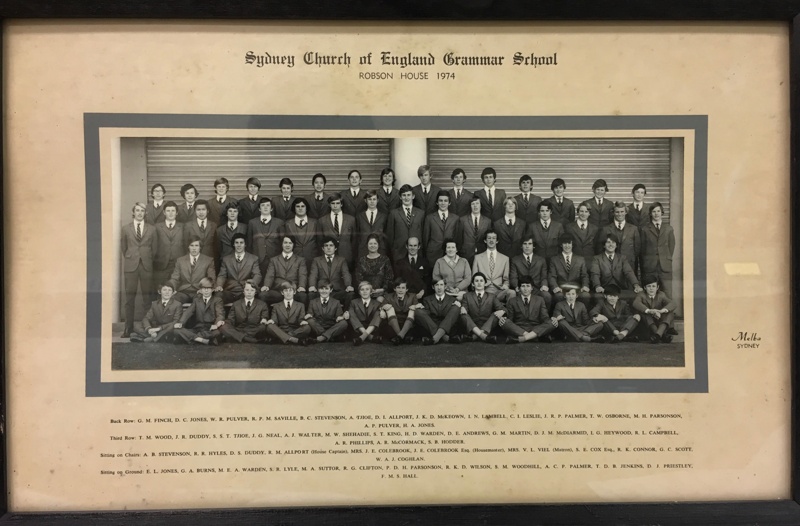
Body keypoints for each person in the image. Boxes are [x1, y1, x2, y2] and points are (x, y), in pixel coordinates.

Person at [121, 202, 156, 337]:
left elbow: (155, 249)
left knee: (147, 298)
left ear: (145, 213)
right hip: (131, 266)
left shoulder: (151, 229)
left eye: (142, 211)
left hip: (146, 266)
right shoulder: (125, 229)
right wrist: (132, 258)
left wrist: (146, 258)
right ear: (133, 213)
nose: (140, 213)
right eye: (137, 210)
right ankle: (128, 328)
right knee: (130, 298)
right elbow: (124, 248)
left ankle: (148, 327)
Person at [499, 276, 555, 344]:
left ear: (532, 288)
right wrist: (504, 319)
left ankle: (523, 338)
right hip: (519, 328)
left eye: (528, 286)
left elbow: (545, 317)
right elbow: (510, 319)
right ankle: (534, 337)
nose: (525, 289)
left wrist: (551, 320)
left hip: (535, 328)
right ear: (519, 288)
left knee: (552, 322)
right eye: (523, 286)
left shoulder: (540, 300)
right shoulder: (512, 301)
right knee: (504, 322)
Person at [590, 233, 642, 303]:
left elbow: (629, 272)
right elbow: (595, 274)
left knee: (634, 296)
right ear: (604, 245)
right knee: (598, 297)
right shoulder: (597, 259)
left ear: (616, 245)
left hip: (620, 288)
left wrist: (636, 285)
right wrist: (597, 286)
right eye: (608, 242)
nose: (611, 245)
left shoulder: (622, 258)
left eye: (613, 242)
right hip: (604, 289)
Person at [173, 277, 224, 345]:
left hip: (210, 328)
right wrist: (181, 323)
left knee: (217, 332)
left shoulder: (217, 300)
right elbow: (188, 312)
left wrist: (216, 325)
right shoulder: (197, 300)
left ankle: (192, 338)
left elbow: (220, 313)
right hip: (198, 327)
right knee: (176, 330)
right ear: (200, 290)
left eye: (208, 288)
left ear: (212, 289)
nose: (206, 290)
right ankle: (200, 339)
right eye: (203, 288)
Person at [640, 202, 676, 298]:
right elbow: (642, 248)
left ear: (662, 212)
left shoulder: (668, 229)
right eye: (654, 211)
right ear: (650, 213)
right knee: (650, 292)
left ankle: (667, 312)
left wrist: (665, 258)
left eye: (658, 211)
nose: (656, 214)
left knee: (667, 292)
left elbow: (671, 246)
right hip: (650, 266)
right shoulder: (645, 229)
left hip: (665, 266)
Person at [457, 272, 504, 344]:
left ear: (485, 283)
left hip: (487, 325)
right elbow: (465, 309)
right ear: (473, 284)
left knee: (496, 314)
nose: (479, 283)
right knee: (463, 314)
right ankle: (483, 336)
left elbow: (503, 309)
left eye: (481, 281)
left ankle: (475, 336)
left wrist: (502, 311)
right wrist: (462, 308)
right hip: (473, 326)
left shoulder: (492, 296)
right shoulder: (467, 296)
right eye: (476, 281)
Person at [260, 235, 308, 306]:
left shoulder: (300, 260)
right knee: (263, 295)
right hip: (278, 290)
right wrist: (266, 286)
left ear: (293, 245)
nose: (287, 245)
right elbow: (270, 275)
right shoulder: (274, 260)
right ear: (282, 244)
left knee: (302, 296)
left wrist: (301, 286)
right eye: (285, 243)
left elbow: (302, 275)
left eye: (290, 243)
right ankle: (266, 316)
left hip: (293, 290)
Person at [308, 237, 355, 308]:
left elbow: (346, 274)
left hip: (337, 291)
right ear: (323, 248)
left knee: (350, 294)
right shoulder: (317, 260)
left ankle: (346, 314)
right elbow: (313, 274)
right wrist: (312, 286)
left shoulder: (341, 260)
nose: (328, 248)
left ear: (335, 248)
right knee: (311, 294)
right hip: (322, 290)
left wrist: (348, 285)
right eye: (326, 246)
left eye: (331, 245)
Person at [215, 233, 262, 303]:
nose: (239, 245)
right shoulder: (226, 259)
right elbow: (222, 275)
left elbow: (257, 275)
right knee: (218, 295)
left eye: (241, 243)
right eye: (236, 243)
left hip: (246, 290)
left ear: (245, 244)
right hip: (231, 291)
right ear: (233, 244)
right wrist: (219, 285)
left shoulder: (253, 259)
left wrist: (250, 285)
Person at [413, 278, 462, 345]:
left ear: (445, 287)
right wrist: (421, 308)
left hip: (447, 326)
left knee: (456, 307)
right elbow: (427, 315)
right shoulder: (427, 299)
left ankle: (435, 339)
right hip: (432, 325)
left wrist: (459, 306)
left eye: (441, 285)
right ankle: (444, 337)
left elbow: (452, 317)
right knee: (418, 311)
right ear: (433, 287)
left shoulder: (452, 299)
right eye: (437, 285)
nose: (439, 288)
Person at [599, 201, 641, 276]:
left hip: (629, 265)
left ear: (626, 212)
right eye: (617, 212)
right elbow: (601, 249)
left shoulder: (634, 229)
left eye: (622, 211)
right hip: (610, 266)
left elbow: (637, 249)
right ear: (613, 213)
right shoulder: (606, 229)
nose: (620, 214)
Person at [169, 237, 216, 304]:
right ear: (188, 247)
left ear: (200, 247)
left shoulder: (208, 260)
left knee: (200, 302)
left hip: (199, 291)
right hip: (183, 292)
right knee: (172, 300)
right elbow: (175, 278)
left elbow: (211, 279)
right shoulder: (180, 260)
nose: (194, 248)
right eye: (192, 245)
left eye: (196, 245)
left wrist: (204, 289)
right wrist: (171, 288)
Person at [153, 201, 185, 299]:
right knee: (161, 291)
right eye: (168, 211)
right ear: (164, 212)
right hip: (161, 265)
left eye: (173, 211)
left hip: (178, 264)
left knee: (177, 291)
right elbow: (153, 245)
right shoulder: (157, 227)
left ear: (177, 213)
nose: (170, 213)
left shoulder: (183, 226)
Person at [472, 230, 515, 302]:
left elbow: (506, 279)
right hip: (483, 290)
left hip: (499, 291)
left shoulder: (505, 259)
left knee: (512, 293)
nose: (491, 240)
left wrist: (505, 286)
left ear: (497, 241)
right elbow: (474, 277)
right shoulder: (478, 258)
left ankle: (507, 312)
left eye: (494, 238)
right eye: (489, 238)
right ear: (485, 241)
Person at [548, 234, 591, 307]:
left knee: (585, 295)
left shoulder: (580, 259)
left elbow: (584, 275)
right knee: (558, 296)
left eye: (569, 243)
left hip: (576, 288)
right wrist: (555, 287)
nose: (567, 246)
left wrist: (585, 286)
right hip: (561, 288)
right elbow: (552, 276)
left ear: (572, 244)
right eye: (565, 243)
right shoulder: (554, 259)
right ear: (561, 245)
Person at [509, 236, 551, 308]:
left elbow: (544, 277)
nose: (527, 246)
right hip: (522, 288)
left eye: (530, 244)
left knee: (547, 296)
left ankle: (545, 317)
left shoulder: (541, 260)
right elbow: (513, 277)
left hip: (537, 288)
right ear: (521, 246)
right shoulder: (515, 260)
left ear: (533, 246)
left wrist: (544, 285)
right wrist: (517, 286)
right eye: (525, 244)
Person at [246, 197, 285, 274]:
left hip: (274, 257)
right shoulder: (252, 223)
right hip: (258, 258)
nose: (265, 207)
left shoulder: (279, 223)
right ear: (259, 209)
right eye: (263, 205)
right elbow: (249, 242)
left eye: (268, 205)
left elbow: (283, 242)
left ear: (271, 209)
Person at [633, 276, 677, 343]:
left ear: (657, 287)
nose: (651, 289)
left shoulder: (661, 295)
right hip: (648, 324)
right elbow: (636, 303)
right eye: (649, 286)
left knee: (669, 312)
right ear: (645, 287)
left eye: (653, 286)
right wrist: (650, 311)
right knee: (644, 313)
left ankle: (657, 336)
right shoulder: (641, 295)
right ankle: (661, 336)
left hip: (659, 321)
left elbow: (673, 303)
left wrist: (661, 311)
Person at [318, 193, 357, 268]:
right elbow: (320, 240)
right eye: (333, 203)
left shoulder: (351, 219)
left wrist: (352, 255)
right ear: (329, 205)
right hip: (328, 257)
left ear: (341, 204)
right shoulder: (322, 220)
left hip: (346, 255)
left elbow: (354, 240)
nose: (335, 206)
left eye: (337, 203)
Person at [386, 184, 424, 260]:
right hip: (398, 253)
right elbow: (390, 236)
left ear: (413, 196)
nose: (406, 198)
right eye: (404, 195)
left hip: (416, 253)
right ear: (400, 197)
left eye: (408, 195)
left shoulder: (421, 213)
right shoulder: (393, 213)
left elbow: (423, 234)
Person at [304, 279, 349, 344]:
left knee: (344, 323)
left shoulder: (336, 302)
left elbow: (339, 316)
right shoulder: (313, 302)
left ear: (331, 290)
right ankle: (331, 337)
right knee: (309, 320)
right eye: (322, 289)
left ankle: (321, 338)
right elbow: (310, 314)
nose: (324, 291)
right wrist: (308, 315)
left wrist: (341, 317)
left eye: (326, 289)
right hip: (318, 327)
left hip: (331, 326)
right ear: (318, 290)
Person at [422, 190, 458, 264]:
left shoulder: (455, 218)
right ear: (437, 202)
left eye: (445, 201)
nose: (443, 203)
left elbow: (457, 238)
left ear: (449, 203)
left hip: (450, 254)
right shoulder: (430, 218)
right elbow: (425, 238)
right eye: (440, 200)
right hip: (433, 255)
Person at [355, 233, 393, 301]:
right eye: (370, 243)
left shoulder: (385, 259)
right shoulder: (362, 260)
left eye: (375, 243)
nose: (373, 246)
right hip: (365, 293)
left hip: (381, 292)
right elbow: (358, 278)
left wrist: (382, 289)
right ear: (367, 245)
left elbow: (389, 277)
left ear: (378, 245)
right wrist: (367, 290)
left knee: (379, 301)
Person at [381, 277, 419, 345]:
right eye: (398, 287)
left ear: (407, 289)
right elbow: (382, 305)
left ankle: (399, 337)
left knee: (412, 309)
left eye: (403, 288)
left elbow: (417, 307)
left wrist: (416, 306)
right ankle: (401, 336)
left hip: (407, 324)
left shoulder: (412, 296)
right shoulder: (389, 296)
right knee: (389, 308)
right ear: (394, 289)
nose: (400, 290)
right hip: (394, 324)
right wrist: (382, 310)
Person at [284, 198, 320, 266]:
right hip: (294, 260)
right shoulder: (287, 224)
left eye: (303, 206)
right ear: (294, 208)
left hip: (312, 258)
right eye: (297, 206)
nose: (300, 208)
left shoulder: (315, 223)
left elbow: (319, 242)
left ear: (306, 208)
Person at [456, 195, 491, 263]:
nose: (475, 206)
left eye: (477, 203)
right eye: (473, 204)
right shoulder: (463, 220)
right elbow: (459, 238)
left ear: (481, 206)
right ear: (470, 206)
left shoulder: (487, 221)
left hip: (482, 253)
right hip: (466, 254)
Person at [349, 281, 384, 346]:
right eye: (362, 290)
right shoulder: (353, 302)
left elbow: (378, 319)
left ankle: (362, 337)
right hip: (359, 329)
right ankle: (370, 337)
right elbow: (352, 316)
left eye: (367, 289)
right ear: (359, 292)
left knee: (379, 313)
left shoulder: (377, 303)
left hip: (372, 329)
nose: (365, 291)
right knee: (350, 313)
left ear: (371, 292)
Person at [356, 189, 388, 258]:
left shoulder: (384, 216)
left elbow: (386, 234)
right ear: (365, 200)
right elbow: (357, 234)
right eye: (370, 199)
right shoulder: (359, 216)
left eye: (374, 199)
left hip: (380, 249)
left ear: (377, 200)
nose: (372, 201)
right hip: (363, 249)